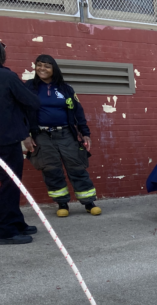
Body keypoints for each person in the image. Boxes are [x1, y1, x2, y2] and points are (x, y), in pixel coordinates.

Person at [26, 54, 101, 217]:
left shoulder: (66, 89)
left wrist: (85, 133)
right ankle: (62, 204)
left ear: (54, 69)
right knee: (51, 169)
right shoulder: (29, 87)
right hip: (42, 135)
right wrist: (26, 134)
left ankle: (89, 203)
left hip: (66, 133)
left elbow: (78, 112)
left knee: (76, 166)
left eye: (46, 66)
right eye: (39, 65)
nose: (42, 68)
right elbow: (23, 112)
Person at [0, 42, 40, 245]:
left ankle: (15, 221)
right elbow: (32, 101)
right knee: (10, 184)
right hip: (6, 141)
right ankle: (6, 230)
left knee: (8, 184)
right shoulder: (7, 77)